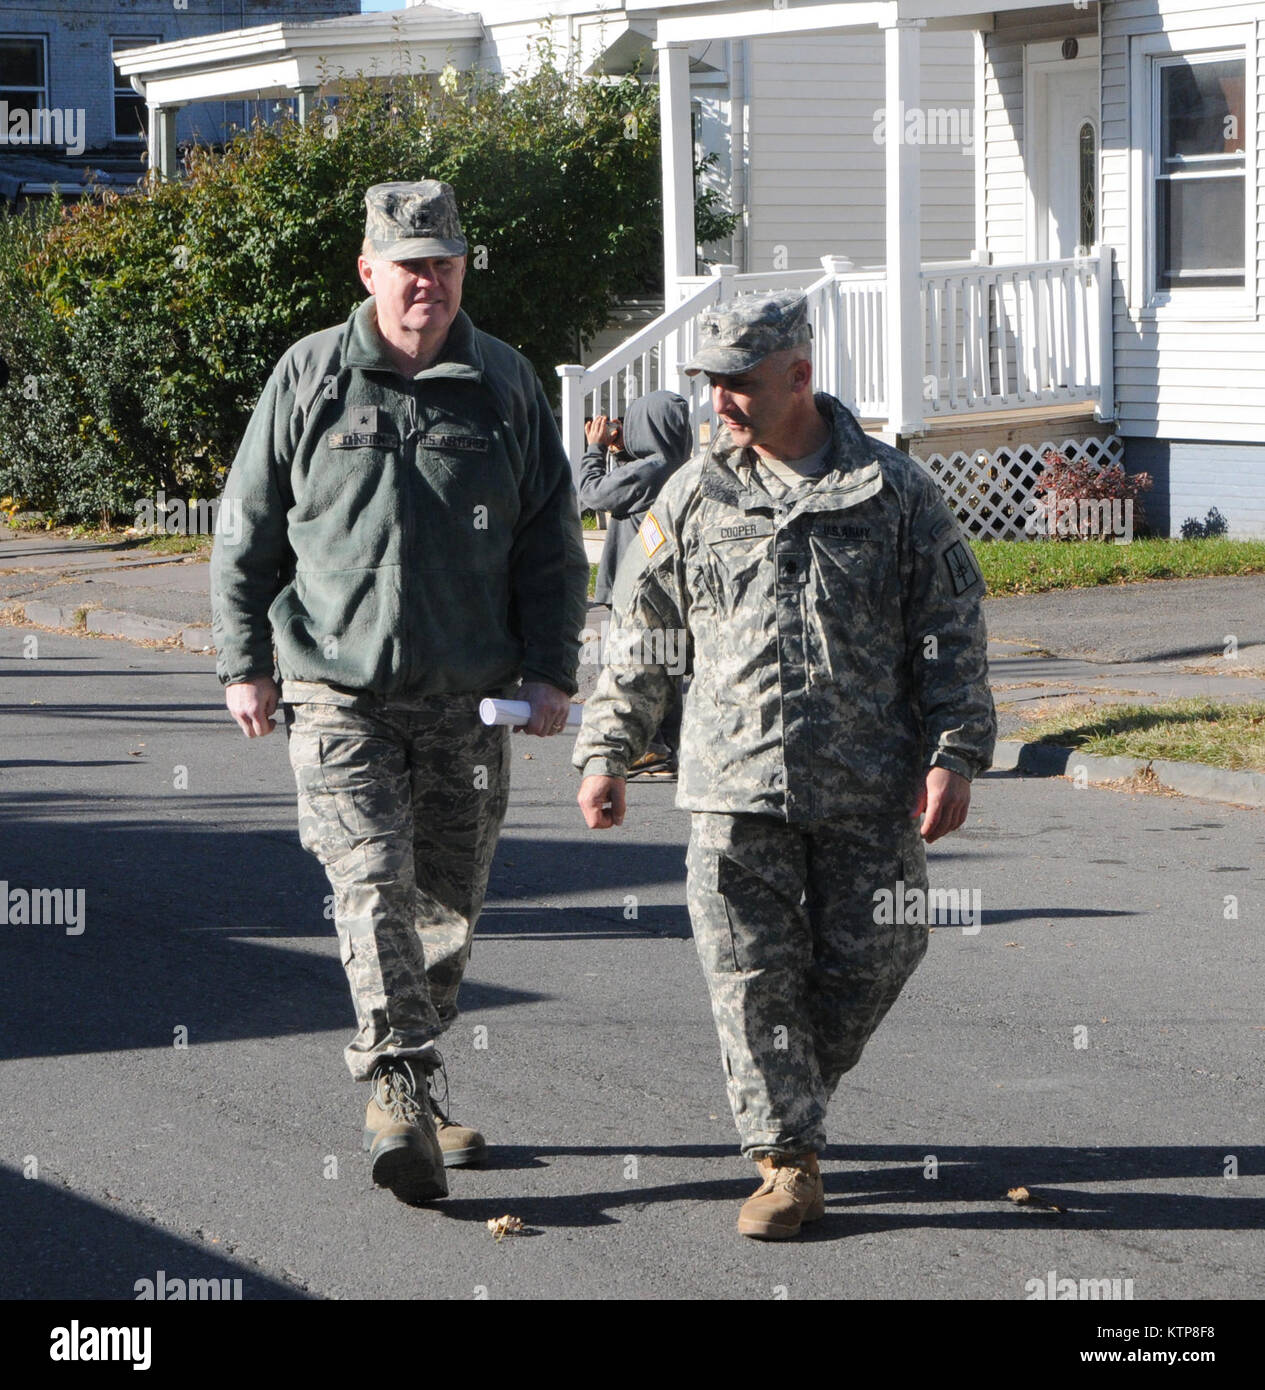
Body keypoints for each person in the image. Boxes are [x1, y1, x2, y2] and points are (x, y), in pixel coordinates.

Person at [573, 292, 995, 1239]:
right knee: (748, 976)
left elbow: (951, 629)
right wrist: (606, 750)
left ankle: (789, 1086)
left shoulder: (894, 493)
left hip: (866, 784)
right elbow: (643, 637)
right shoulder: (689, 495)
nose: (720, 401)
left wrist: (955, 752)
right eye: (711, 383)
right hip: (730, 787)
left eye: (740, 383)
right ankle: (786, 1162)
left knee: (883, 951)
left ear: (799, 376)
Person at [210, 179, 589, 1205]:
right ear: (368, 270)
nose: (427, 281)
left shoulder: (503, 383)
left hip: (469, 701)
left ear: (461, 269)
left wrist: (552, 669)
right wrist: (243, 661)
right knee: (370, 882)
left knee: (446, 911)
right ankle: (396, 1087)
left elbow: (551, 545)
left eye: (444, 263)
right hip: (337, 693)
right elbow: (246, 526)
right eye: (409, 264)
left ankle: (418, 1082)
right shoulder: (311, 377)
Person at [578, 390, 692, 776]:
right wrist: (623, 450)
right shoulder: (676, 466)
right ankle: (668, 748)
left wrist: (594, 450)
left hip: (631, 590)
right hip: (667, 589)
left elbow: (593, 494)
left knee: (627, 668)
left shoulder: (648, 469)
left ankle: (648, 748)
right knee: (667, 669)